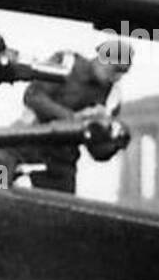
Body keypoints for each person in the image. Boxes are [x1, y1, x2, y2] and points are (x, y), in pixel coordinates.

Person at [14, 41, 133, 193]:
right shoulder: (67, 63)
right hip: (24, 140)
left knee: (60, 206)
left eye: (120, 73)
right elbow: (33, 96)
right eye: (113, 68)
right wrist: (73, 118)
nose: (114, 76)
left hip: (61, 160)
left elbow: (97, 152)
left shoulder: (112, 97)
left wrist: (112, 141)